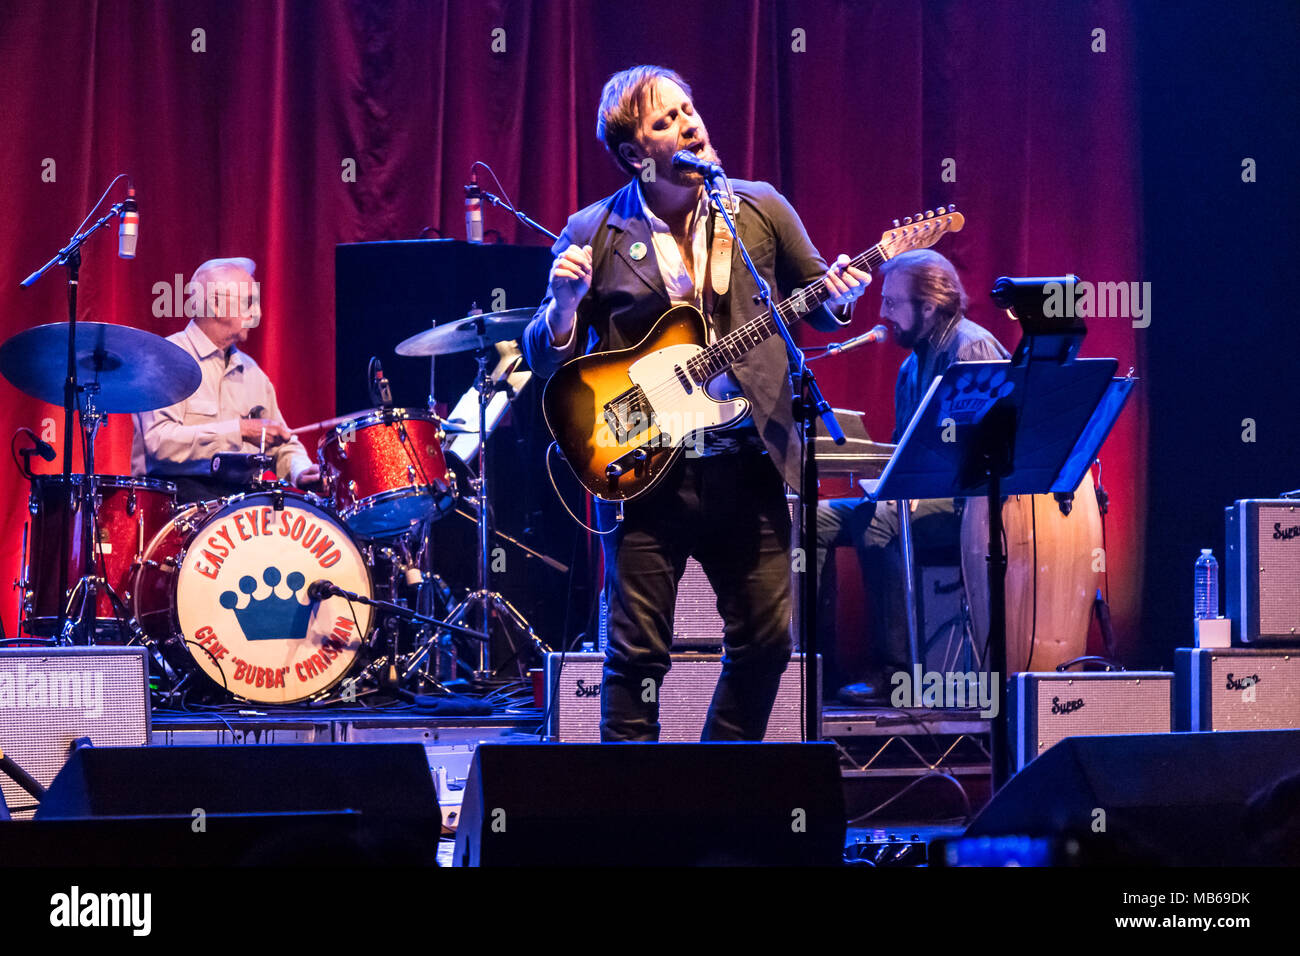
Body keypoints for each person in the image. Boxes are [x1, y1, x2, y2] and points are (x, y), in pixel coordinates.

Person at [523, 65, 870, 741]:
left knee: (767, 645)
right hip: (643, 470)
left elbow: (820, 304)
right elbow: (546, 357)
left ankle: (716, 787)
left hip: (751, 459)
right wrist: (562, 309)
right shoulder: (592, 228)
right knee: (636, 657)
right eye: (665, 120)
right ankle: (636, 823)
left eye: (689, 108)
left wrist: (841, 298)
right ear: (634, 153)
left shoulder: (760, 208)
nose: (689, 124)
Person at [816, 249, 1008, 703]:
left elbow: (993, 450)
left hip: (974, 506)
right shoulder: (909, 366)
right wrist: (863, 461)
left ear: (928, 305)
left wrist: (904, 486)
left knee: (882, 520)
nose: (881, 314)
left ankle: (895, 672)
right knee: (812, 520)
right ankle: (818, 668)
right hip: (918, 497)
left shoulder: (971, 347)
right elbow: (906, 452)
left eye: (891, 303)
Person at [132, 257, 320, 503]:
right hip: (175, 500)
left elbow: (282, 441)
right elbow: (160, 443)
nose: (258, 314)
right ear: (217, 305)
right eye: (249, 303)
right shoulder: (167, 358)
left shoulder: (252, 372)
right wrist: (239, 431)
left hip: (237, 503)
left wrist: (300, 469)